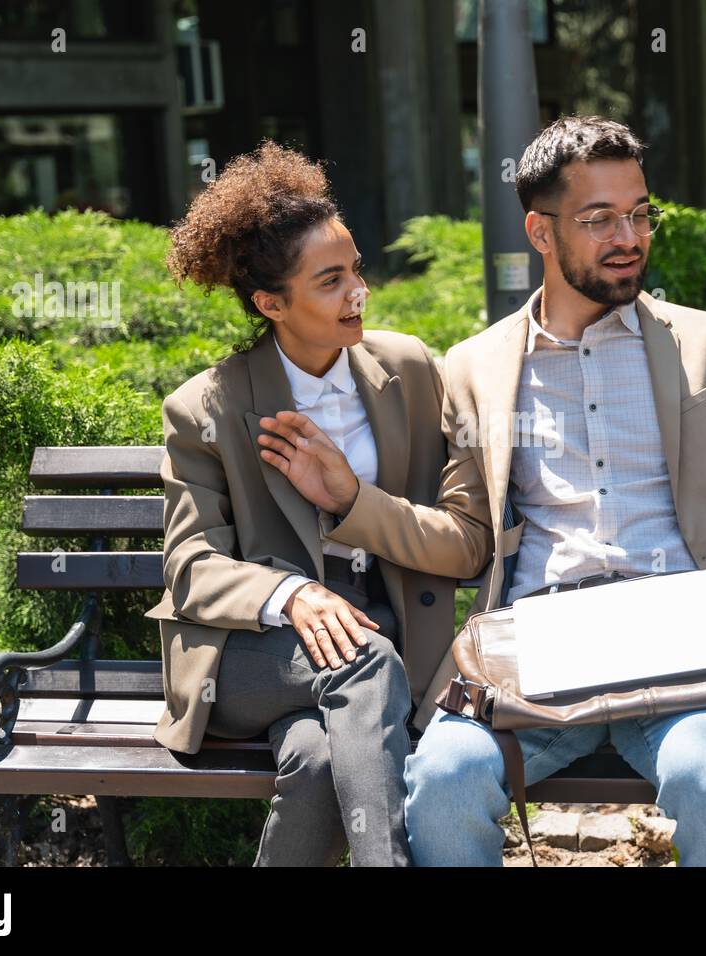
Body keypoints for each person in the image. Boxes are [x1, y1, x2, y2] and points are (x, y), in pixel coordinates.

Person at [257, 116, 706, 866]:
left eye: (640, 213)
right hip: (537, 653)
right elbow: (468, 537)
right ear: (540, 233)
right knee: (444, 777)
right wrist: (354, 500)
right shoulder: (477, 368)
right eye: (600, 218)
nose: (630, 236)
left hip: (688, 655)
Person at [144, 141, 483, 866]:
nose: (358, 291)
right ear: (271, 303)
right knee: (363, 662)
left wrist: (355, 499)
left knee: (319, 762)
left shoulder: (411, 370)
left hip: (385, 633)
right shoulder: (207, 406)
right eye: (331, 280)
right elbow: (191, 566)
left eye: (357, 269)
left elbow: (465, 540)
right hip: (248, 652)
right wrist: (293, 594)